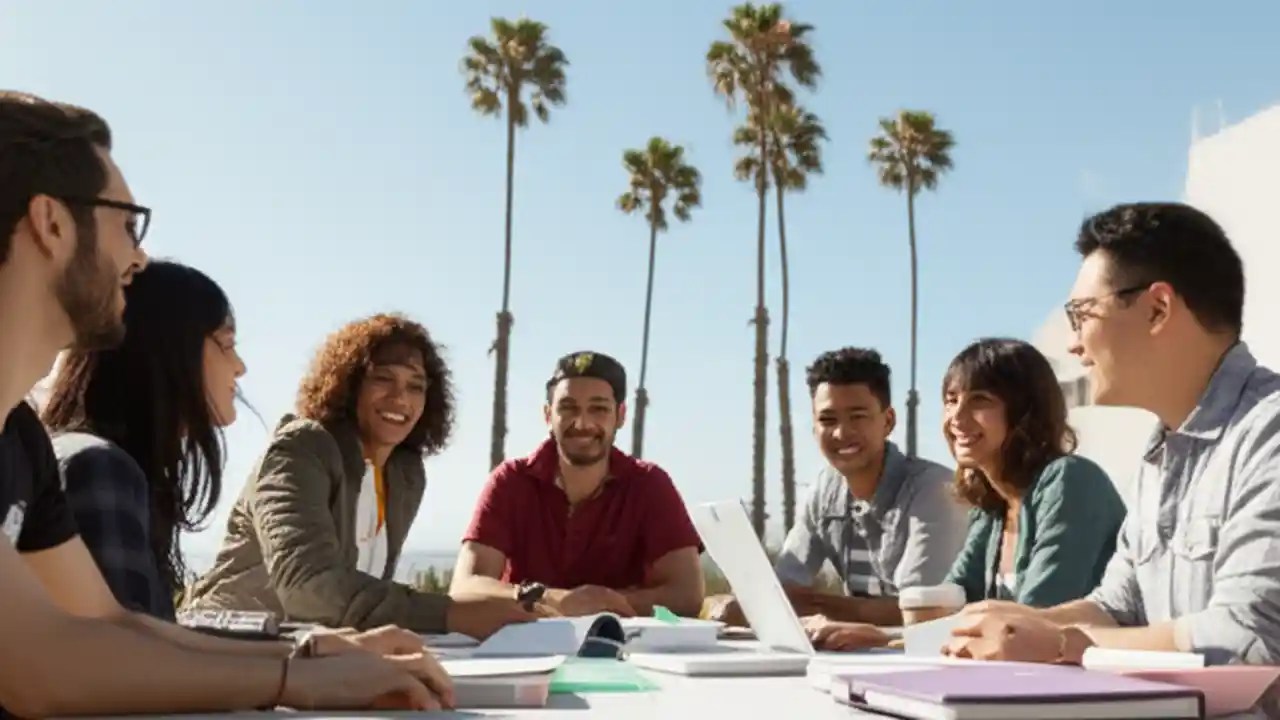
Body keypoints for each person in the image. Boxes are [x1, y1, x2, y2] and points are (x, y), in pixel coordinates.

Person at [0, 90, 451, 714]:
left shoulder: (19, 439)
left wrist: (314, 657)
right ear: (51, 223)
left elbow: (113, 625)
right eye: (127, 224)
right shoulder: (88, 461)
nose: (139, 257)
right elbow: (41, 668)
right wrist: (294, 681)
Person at [945, 203, 1280, 714]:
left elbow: (1251, 642)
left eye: (1081, 315)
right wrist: (1010, 624)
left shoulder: (1267, 433)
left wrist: (1065, 647)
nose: (1074, 344)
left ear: (1157, 309)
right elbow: (1117, 608)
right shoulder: (1159, 455)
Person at [187, 313, 539, 638]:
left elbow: (363, 605)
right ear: (349, 384)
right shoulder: (301, 449)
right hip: (222, 655)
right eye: (383, 379)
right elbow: (308, 590)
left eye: (416, 386)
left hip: (318, 666)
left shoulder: (404, 474)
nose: (400, 398)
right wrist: (451, 613)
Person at [708, 348, 968, 639]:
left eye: (857, 417)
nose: (842, 433)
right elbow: (787, 582)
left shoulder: (935, 490)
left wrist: (812, 606)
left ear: (888, 421)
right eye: (828, 420)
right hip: (853, 653)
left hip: (931, 657)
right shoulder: (826, 489)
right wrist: (744, 604)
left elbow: (921, 612)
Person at [42, 260, 245, 619]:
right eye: (226, 344)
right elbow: (127, 656)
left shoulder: (96, 460)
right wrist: (290, 667)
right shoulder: (99, 467)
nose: (240, 365)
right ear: (170, 348)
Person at [450, 350, 705, 617]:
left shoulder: (649, 484)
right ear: (548, 415)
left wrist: (602, 603)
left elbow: (686, 595)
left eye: (598, 408)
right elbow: (465, 586)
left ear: (620, 415)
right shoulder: (511, 481)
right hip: (525, 647)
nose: (582, 423)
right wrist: (553, 599)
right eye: (568, 408)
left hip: (624, 647)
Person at [940, 338, 1124, 606]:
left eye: (979, 400)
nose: (956, 416)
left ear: (1025, 410)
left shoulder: (1071, 481)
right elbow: (950, 598)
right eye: (951, 400)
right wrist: (875, 633)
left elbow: (1039, 611)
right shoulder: (993, 505)